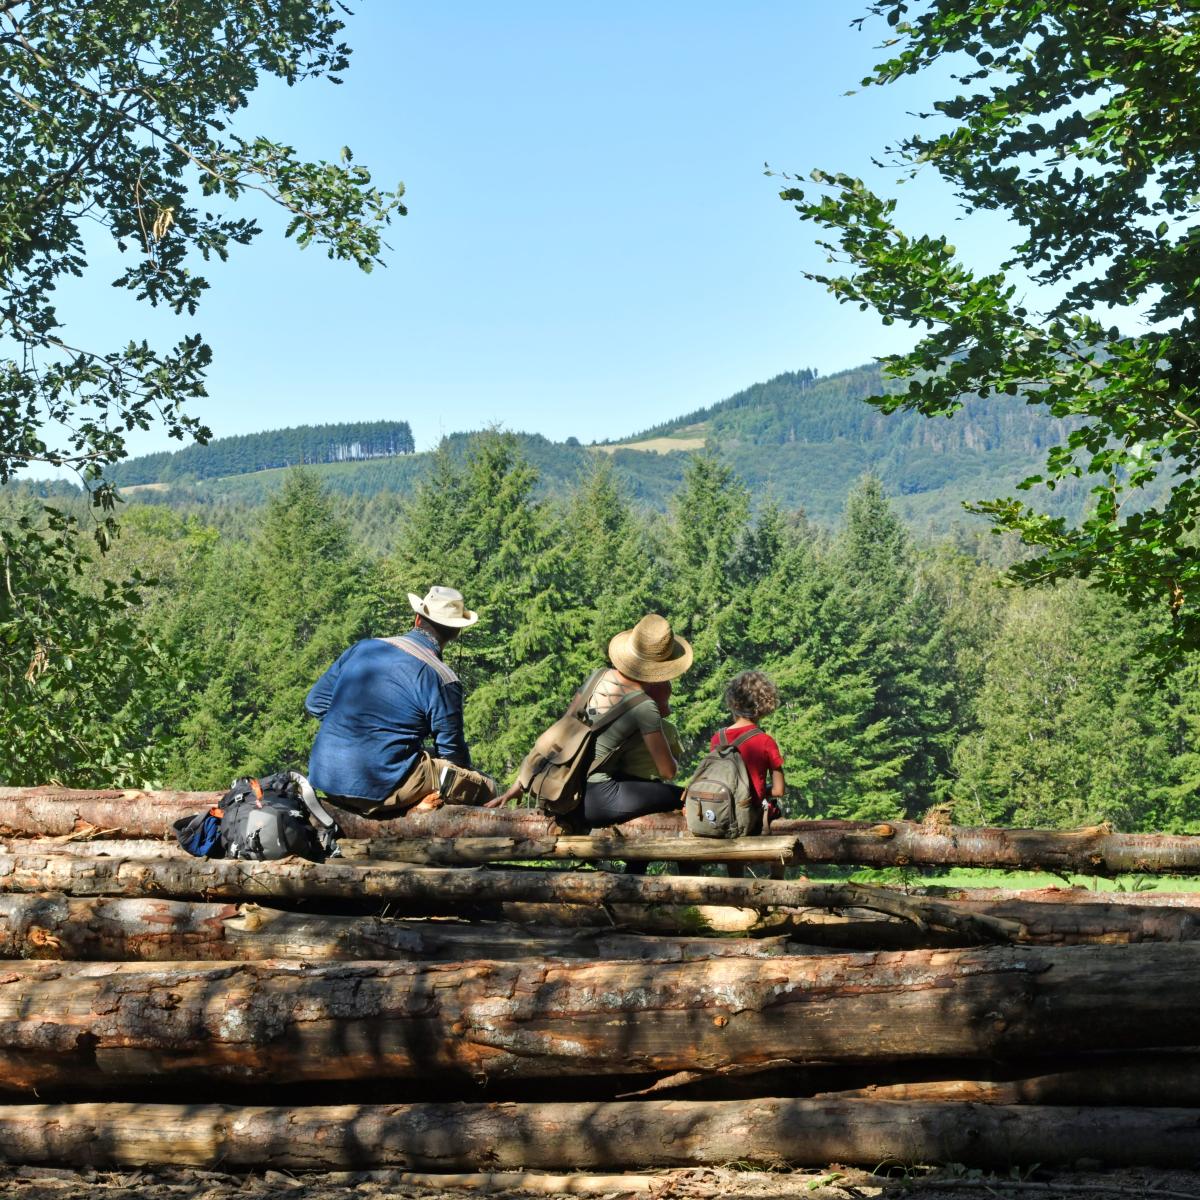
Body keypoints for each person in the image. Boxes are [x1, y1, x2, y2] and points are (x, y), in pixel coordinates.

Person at [304, 585, 496, 817]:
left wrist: (360, 730)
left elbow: (315, 703)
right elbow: (452, 754)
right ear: (456, 633)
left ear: (417, 619)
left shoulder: (363, 647)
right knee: (485, 786)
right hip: (378, 789)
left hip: (326, 778)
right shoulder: (443, 678)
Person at [492, 613, 693, 828]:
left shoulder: (597, 677)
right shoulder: (644, 706)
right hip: (592, 801)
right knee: (683, 795)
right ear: (662, 669)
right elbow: (667, 771)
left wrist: (521, 783)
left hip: (559, 787)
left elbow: (562, 731)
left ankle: (633, 863)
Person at [709, 670, 786, 877]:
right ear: (764, 706)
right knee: (776, 814)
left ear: (733, 703)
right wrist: (760, 789)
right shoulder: (765, 741)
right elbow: (779, 790)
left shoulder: (718, 738)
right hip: (749, 815)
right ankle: (777, 880)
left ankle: (736, 881)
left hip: (721, 812)